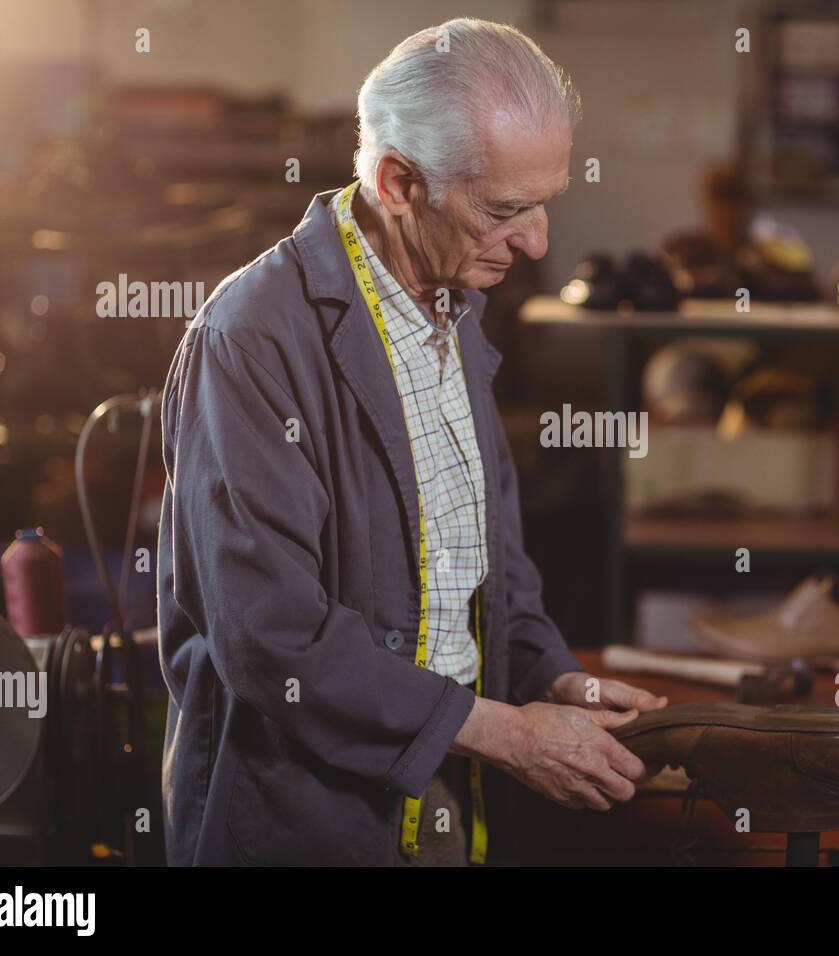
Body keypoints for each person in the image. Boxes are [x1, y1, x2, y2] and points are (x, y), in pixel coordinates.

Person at [157, 17, 667, 866]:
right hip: (301, 822)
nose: (538, 241)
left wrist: (550, 675)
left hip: (442, 800)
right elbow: (271, 638)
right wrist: (508, 735)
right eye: (506, 209)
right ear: (397, 182)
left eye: (545, 204)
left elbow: (488, 559)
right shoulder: (250, 340)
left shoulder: (450, 305)